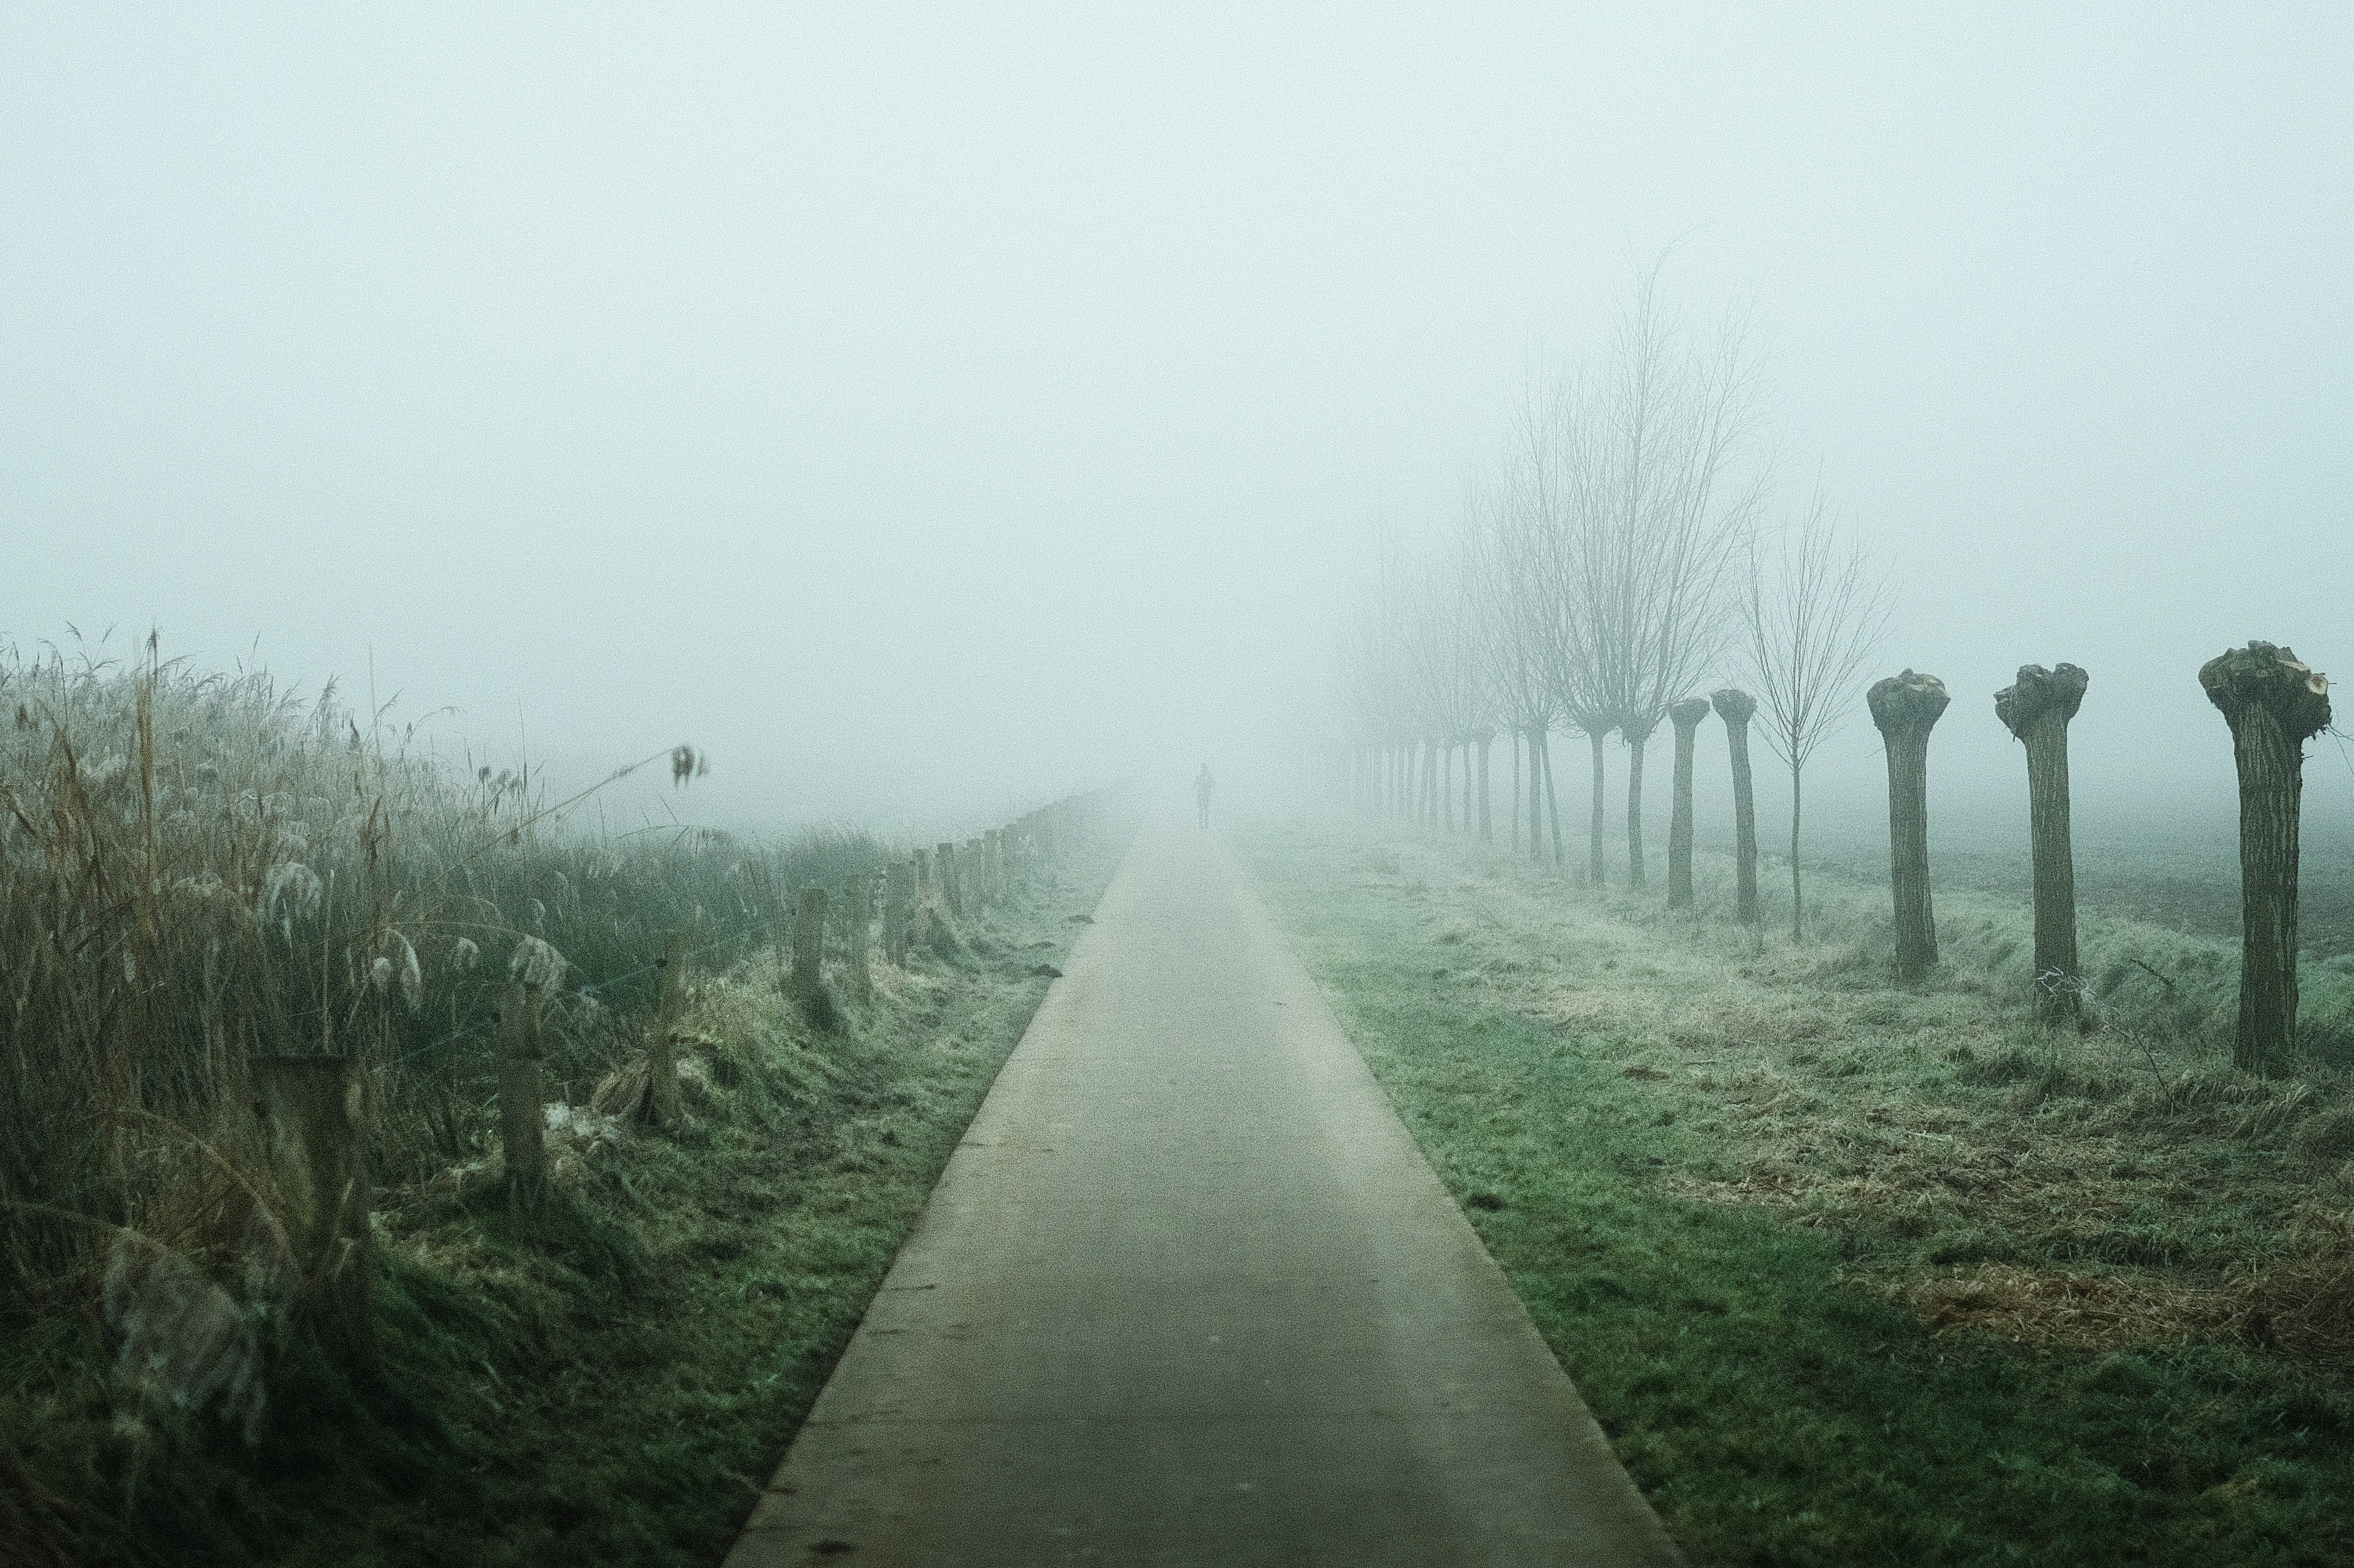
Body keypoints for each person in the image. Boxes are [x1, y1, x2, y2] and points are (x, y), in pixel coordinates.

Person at [1194, 763, 1215, 828]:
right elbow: (1213, 784)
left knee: (1204, 809)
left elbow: (1195, 785)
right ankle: (1202, 824)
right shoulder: (1203, 776)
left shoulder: (1202, 776)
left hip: (1205, 795)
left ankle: (1204, 823)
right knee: (1203, 809)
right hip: (1203, 795)